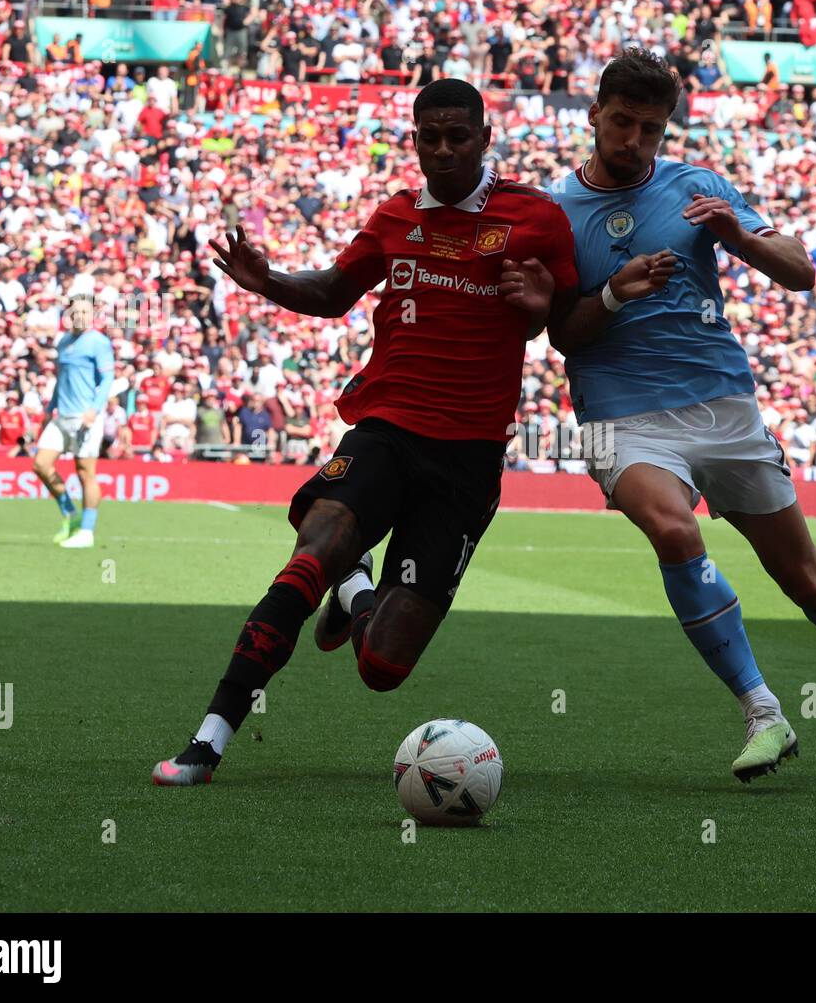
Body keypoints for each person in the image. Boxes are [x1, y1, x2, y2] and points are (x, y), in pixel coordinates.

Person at [153, 79, 578, 786]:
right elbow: (332, 292)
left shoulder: (536, 217)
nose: (442, 149)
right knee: (307, 557)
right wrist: (272, 282)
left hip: (468, 459)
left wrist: (543, 312)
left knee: (383, 668)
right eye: (428, 137)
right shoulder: (394, 217)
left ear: (484, 138)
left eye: (457, 136)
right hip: (386, 428)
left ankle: (356, 593)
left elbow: (567, 321)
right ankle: (208, 738)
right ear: (414, 139)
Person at [547, 50, 816, 782]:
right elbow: (560, 333)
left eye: (650, 130)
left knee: (805, 578)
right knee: (674, 531)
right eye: (622, 123)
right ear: (594, 114)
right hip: (624, 414)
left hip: (722, 406)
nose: (634, 142)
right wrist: (615, 294)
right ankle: (764, 713)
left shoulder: (697, 188)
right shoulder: (554, 212)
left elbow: (802, 271)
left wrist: (740, 239)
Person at [32, 295, 114, 549]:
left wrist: (94, 410)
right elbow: (61, 379)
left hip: (84, 417)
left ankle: (86, 532)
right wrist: (50, 408)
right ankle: (71, 513)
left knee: (84, 473)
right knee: (40, 464)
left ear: (91, 316)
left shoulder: (98, 342)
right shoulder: (64, 341)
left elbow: (107, 379)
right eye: (75, 312)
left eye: (84, 312)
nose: (79, 316)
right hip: (62, 416)